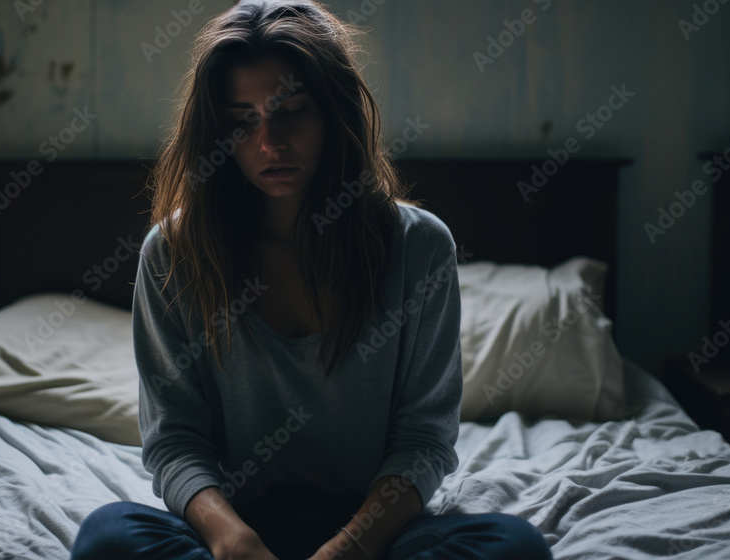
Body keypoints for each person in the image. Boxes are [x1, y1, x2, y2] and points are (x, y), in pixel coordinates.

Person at [71, 1, 552, 559]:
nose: (270, 143)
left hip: (377, 534)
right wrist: (233, 541)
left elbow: (424, 439)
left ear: (334, 114)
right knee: (108, 538)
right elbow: (175, 441)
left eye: (292, 111)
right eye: (242, 121)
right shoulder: (174, 255)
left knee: (514, 548)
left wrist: (350, 547)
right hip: (233, 531)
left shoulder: (419, 248)